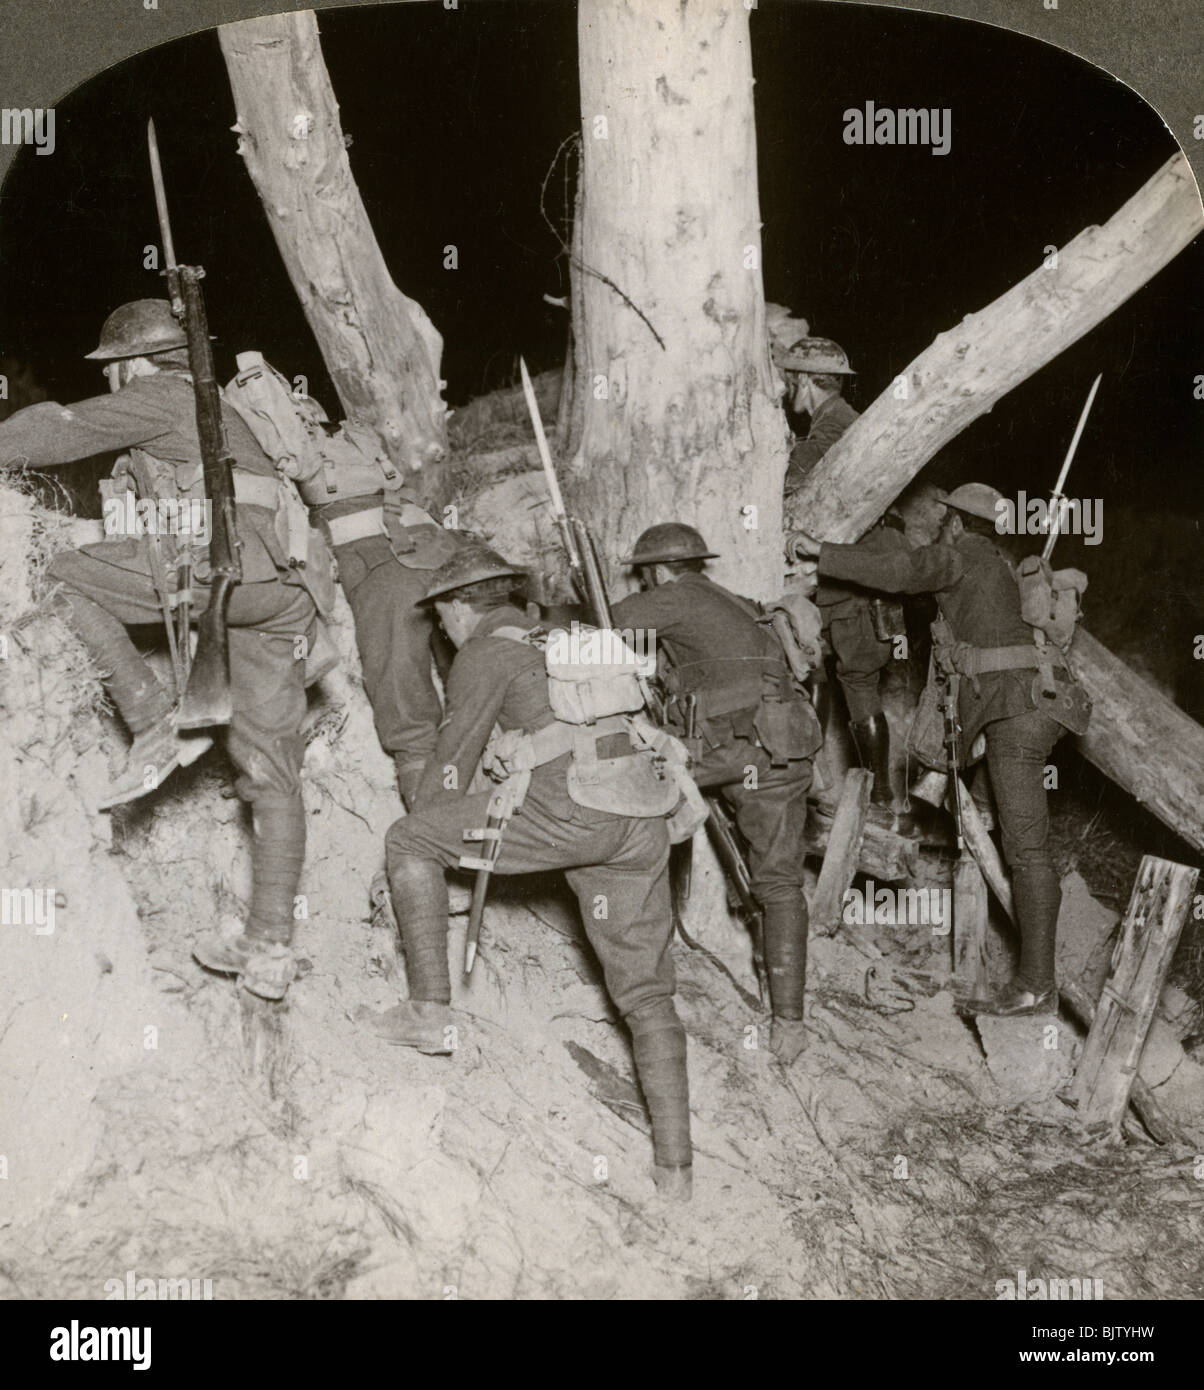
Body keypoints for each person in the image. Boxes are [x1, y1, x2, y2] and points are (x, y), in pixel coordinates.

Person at [0, 299, 327, 1000]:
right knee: (272, 772)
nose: (114, 379)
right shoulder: (223, 417)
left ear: (131, 363)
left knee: (52, 571)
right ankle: (269, 945)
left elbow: (60, 428)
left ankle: (151, 718)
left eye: (113, 368)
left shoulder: (161, 395)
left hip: (217, 575)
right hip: (280, 592)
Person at [360, 543, 696, 1199]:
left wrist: (427, 846)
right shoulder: (563, 634)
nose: (444, 633)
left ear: (460, 606)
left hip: (572, 809)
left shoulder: (485, 650)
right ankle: (676, 1172)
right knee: (648, 996)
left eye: (442, 617)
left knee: (406, 839)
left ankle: (429, 1009)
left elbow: (451, 762)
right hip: (641, 808)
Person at [792, 484, 1092, 1016]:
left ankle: (1035, 986)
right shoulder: (996, 567)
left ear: (955, 521)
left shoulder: (963, 556)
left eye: (941, 519)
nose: (935, 527)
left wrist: (825, 553)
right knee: (1002, 831)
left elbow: (905, 571)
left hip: (1018, 714)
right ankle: (1023, 966)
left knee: (1027, 854)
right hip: (1026, 709)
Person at [610, 523, 823, 1065]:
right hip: (784, 745)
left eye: (644, 576)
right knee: (779, 883)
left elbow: (605, 623)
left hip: (737, 749)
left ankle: (639, 971)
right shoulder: (733, 600)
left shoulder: (675, 597)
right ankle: (790, 1024)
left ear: (657, 571)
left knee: (626, 794)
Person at [223, 352, 462, 808]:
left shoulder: (352, 432)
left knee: (448, 666)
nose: (302, 405)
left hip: (419, 544)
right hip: (389, 554)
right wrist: (256, 377)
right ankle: (431, 804)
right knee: (412, 661)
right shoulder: (281, 445)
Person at [775, 336, 859, 495]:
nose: (785, 389)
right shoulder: (839, 413)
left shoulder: (834, 422)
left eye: (788, 381)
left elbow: (798, 466)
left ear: (803, 378)